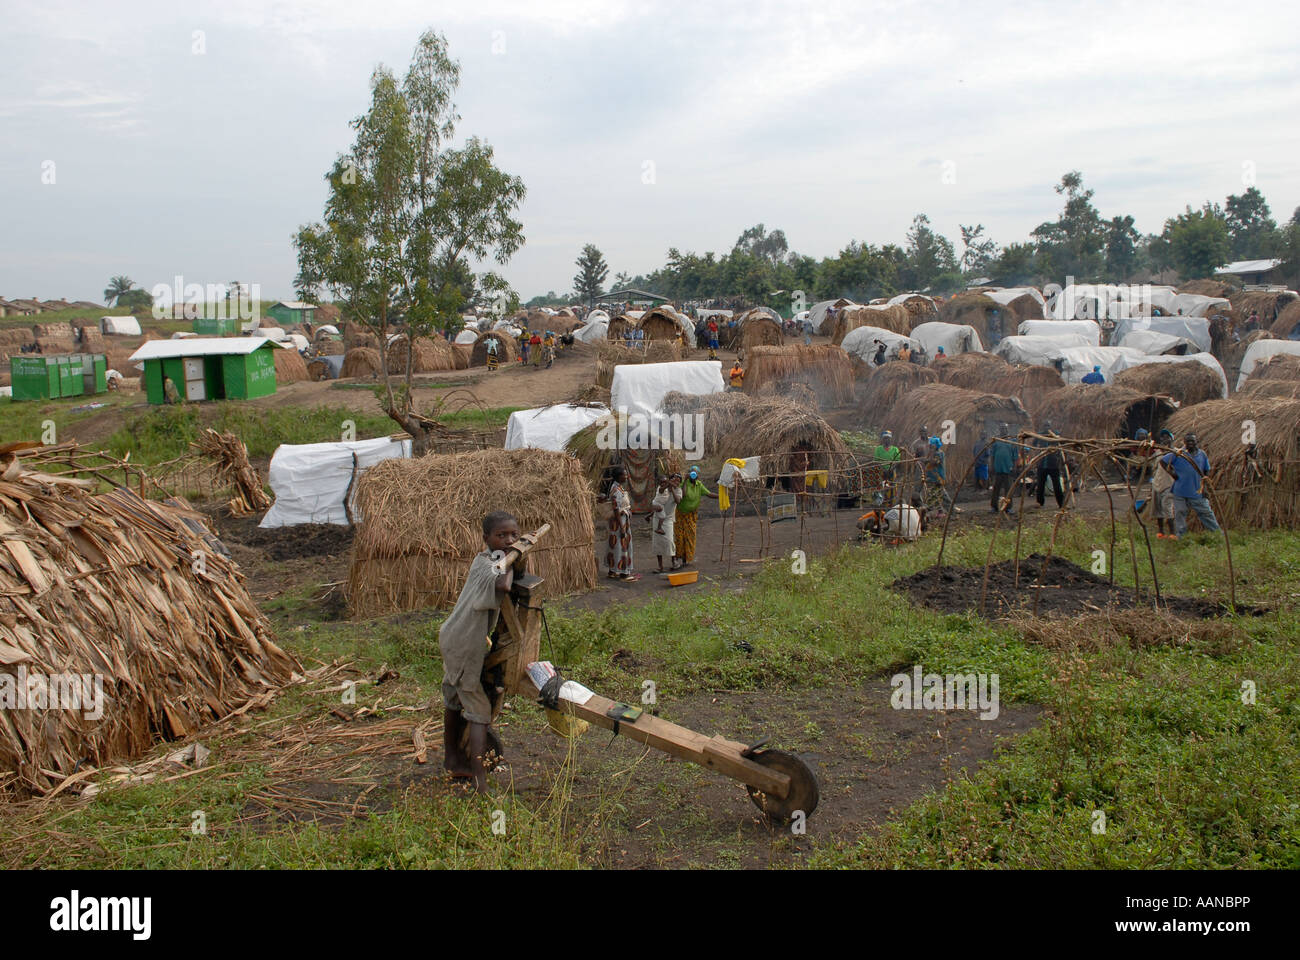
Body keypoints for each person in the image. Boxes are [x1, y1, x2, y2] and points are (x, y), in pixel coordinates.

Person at [439, 510, 518, 793]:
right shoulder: (489, 565)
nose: (508, 540)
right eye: (501, 536)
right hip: (463, 643)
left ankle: (453, 760)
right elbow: (504, 585)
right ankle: (479, 779)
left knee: (452, 696)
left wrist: (511, 555)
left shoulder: (487, 558)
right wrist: (514, 558)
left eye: (514, 536)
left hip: (454, 636)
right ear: (486, 538)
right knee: (478, 709)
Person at [1160, 432, 1220, 539]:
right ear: (1184, 442)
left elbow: (1206, 471)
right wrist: (1172, 473)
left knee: (1206, 513)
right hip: (1180, 491)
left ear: (1197, 442)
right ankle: (1181, 536)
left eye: (1192, 441)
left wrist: (1204, 487)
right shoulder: (1179, 453)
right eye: (1188, 441)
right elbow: (1163, 461)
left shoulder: (1202, 454)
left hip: (1197, 491)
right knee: (1180, 513)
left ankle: (1217, 534)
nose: (1190, 443)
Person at [601, 465, 639, 582]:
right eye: (624, 474)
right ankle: (623, 574)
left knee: (615, 546)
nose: (626, 476)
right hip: (620, 522)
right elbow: (616, 509)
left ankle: (612, 571)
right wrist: (622, 528)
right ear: (618, 476)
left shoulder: (617, 488)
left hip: (618, 522)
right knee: (622, 546)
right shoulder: (617, 490)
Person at [674, 465, 717, 567]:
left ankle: (685, 559)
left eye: (696, 473)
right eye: (692, 473)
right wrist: (685, 481)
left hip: (692, 515)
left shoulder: (699, 485)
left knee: (690, 537)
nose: (694, 475)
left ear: (698, 475)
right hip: (681, 515)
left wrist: (721, 496)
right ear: (689, 474)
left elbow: (709, 494)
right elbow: (683, 494)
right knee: (680, 537)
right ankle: (676, 559)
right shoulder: (683, 484)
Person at [648, 474, 681, 571]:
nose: (676, 482)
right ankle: (660, 566)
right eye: (674, 480)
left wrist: (673, 490)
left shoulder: (678, 490)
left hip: (668, 519)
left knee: (669, 541)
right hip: (657, 518)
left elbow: (678, 501)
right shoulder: (662, 488)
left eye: (678, 481)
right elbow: (658, 502)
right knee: (657, 542)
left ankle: (674, 562)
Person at [1148, 428, 1176, 538]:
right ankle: (1161, 532)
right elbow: (1153, 466)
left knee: (1167, 507)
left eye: (1167, 437)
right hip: (1157, 483)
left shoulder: (1175, 453)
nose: (1165, 439)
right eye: (1163, 437)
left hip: (1169, 484)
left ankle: (1173, 533)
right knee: (1157, 508)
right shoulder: (1158, 452)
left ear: (1171, 439)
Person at [1034, 420, 1066, 508]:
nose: (1046, 428)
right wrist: (1037, 453)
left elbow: (1062, 443)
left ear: (1050, 427)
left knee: (1057, 486)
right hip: (1042, 464)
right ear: (1043, 427)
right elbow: (1034, 444)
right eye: (1045, 426)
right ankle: (1040, 504)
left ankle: (1061, 504)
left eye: (1048, 426)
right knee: (1040, 485)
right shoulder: (1039, 435)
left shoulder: (1055, 434)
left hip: (1053, 464)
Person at [989, 424, 1019, 513]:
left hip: (1008, 468)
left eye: (1005, 428)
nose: (1003, 430)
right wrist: (991, 466)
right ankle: (994, 507)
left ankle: (1008, 507)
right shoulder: (996, 441)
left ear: (1007, 429)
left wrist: (1014, 467)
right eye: (1002, 428)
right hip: (998, 468)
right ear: (999, 429)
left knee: (1008, 489)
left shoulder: (1012, 441)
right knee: (996, 489)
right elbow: (992, 455)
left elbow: (1015, 456)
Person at [872, 429, 901, 505]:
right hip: (881, 471)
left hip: (892, 471)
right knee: (881, 486)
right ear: (882, 439)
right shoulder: (878, 449)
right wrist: (883, 469)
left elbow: (897, 461)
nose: (886, 440)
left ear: (891, 439)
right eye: (885, 438)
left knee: (892, 487)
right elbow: (876, 461)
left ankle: (891, 502)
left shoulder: (895, 449)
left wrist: (891, 468)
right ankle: (881, 502)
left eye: (888, 438)